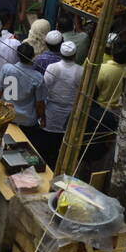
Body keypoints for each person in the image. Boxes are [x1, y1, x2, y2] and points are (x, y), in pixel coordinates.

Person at [40, 40, 83, 169]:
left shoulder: (53, 67)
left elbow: (43, 89)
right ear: (75, 55)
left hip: (52, 111)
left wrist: (42, 115)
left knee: (48, 146)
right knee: (63, 145)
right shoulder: (80, 70)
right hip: (70, 114)